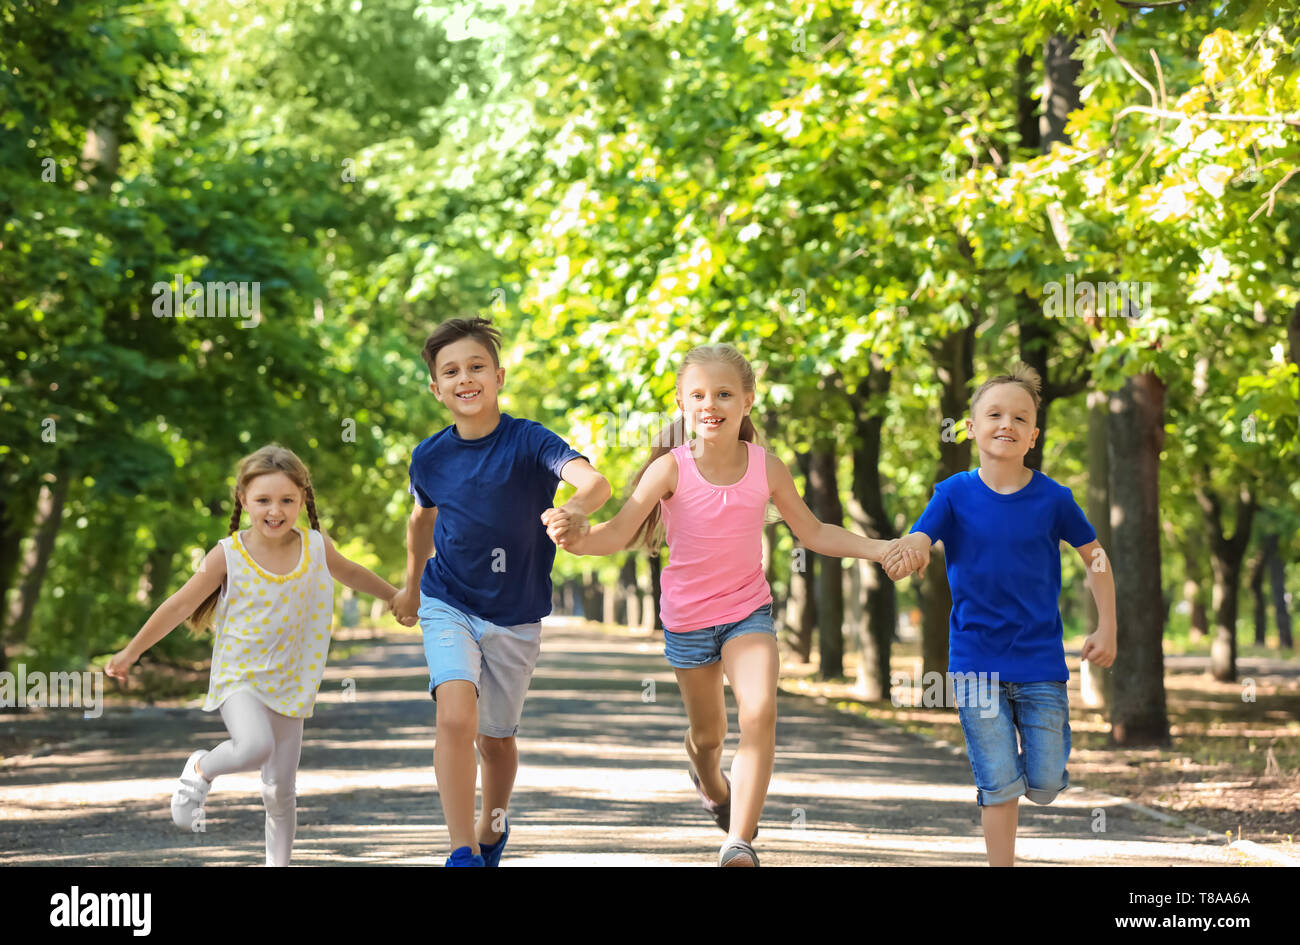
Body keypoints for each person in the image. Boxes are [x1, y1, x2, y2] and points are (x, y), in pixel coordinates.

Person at [559, 343, 896, 866]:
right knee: (708, 735)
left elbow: (813, 531)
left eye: (723, 394)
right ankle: (709, 778)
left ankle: (738, 841)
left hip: (747, 611)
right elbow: (620, 531)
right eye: (697, 394)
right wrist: (576, 537)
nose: (710, 404)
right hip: (688, 621)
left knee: (759, 711)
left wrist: (878, 549)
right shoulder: (669, 470)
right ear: (680, 403)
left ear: (747, 401)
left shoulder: (767, 468)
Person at [106, 444, 400, 866]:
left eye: (286, 500)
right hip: (239, 678)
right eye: (263, 500)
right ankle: (201, 770)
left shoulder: (316, 546)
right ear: (243, 500)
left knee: (281, 791)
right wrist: (130, 652)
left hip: (291, 681)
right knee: (255, 745)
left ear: (303, 499)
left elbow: (351, 572)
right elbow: (178, 605)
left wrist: (395, 597)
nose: (275, 511)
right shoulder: (228, 554)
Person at [389, 316, 611, 867]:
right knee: (455, 716)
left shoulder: (531, 440)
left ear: (499, 375)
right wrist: (412, 586)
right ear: (436, 389)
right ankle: (460, 850)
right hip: (449, 600)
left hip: (516, 612)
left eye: (476, 366)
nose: (466, 378)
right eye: (451, 371)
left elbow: (595, 482)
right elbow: (421, 521)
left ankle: (493, 827)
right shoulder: (429, 456)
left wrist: (574, 510)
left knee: (496, 738)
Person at [883, 362, 1117, 866]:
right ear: (972, 429)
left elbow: (1094, 556)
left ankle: (1031, 774)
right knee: (997, 782)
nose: (1006, 423)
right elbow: (922, 535)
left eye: (1019, 417)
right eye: (994, 414)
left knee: (1047, 783)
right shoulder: (953, 493)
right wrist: (914, 549)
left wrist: (1107, 625)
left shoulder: (1055, 498)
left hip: (1040, 665)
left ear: (1033, 435)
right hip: (975, 663)